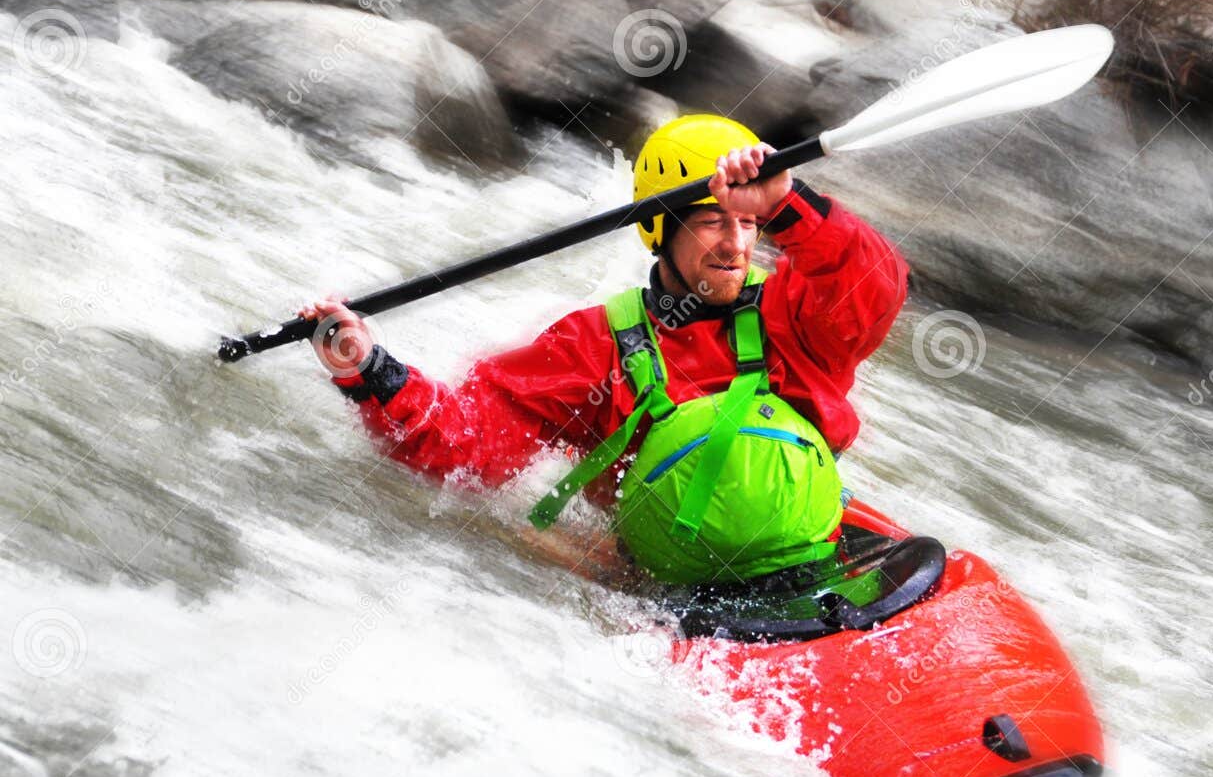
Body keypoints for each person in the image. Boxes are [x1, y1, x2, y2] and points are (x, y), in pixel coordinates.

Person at [299, 115, 908, 586]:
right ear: (661, 229)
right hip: (663, 586)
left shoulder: (797, 316)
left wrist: (788, 203)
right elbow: (471, 446)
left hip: (805, 548)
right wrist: (371, 372)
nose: (735, 244)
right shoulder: (592, 345)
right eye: (713, 222)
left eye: (748, 223)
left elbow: (875, 284)